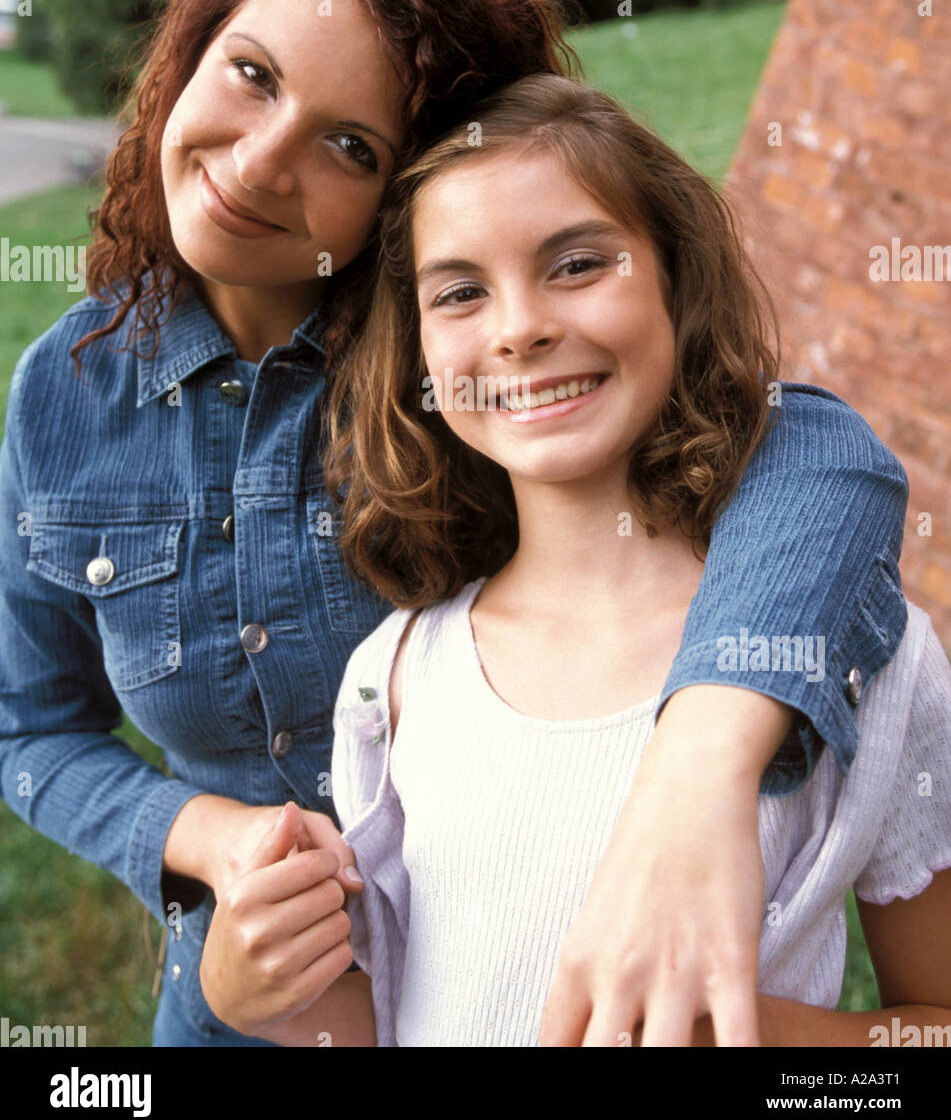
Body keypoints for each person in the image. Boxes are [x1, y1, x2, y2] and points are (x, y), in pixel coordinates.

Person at [0, 0, 907, 1050]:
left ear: (408, 196)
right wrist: (203, 838)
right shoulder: (62, 389)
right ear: (190, 55)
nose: (261, 162)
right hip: (239, 992)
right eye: (252, 74)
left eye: (349, 147)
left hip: (503, 971)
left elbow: (817, 456)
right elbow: (26, 728)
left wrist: (700, 758)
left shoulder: (457, 362)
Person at [200, 74, 951, 1047]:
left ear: (674, 278)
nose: (520, 326)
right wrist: (256, 988)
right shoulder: (391, 681)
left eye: (578, 264)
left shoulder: (867, 659)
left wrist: (746, 1036)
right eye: (461, 290)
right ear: (422, 351)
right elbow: (386, 1021)